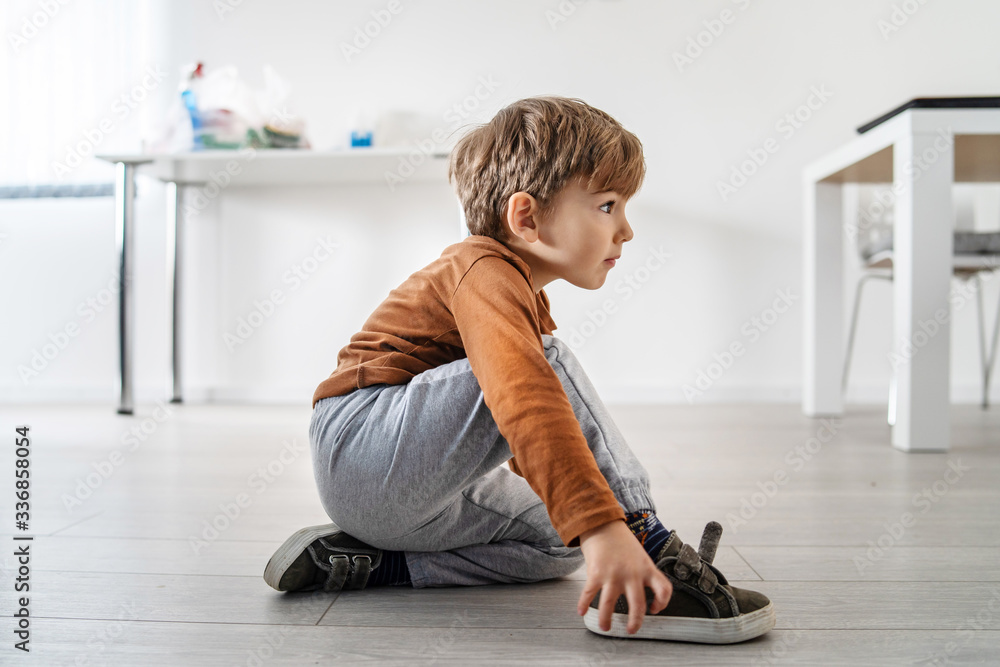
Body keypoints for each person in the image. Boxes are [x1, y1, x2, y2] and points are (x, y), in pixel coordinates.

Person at [263, 96, 774, 643]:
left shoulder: (517, 292)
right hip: (363, 446)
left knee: (558, 544)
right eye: (607, 206)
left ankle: (367, 563)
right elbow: (523, 394)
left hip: (395, 494)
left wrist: (582, 525)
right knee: (546, 374)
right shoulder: (481, 269)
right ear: (526, 217)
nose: (626, 230)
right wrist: (606, 525)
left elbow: (524, 426)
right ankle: (645, 537)